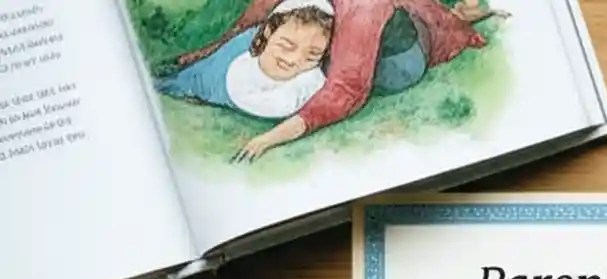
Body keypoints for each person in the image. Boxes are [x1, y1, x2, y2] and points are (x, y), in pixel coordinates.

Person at [175, 0, 502, 162]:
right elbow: (260, 14)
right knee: (279, 33)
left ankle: (454, 21)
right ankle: (195, 80)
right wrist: (209, 52)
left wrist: (269, 139)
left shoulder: (362, 9)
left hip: (398, 62)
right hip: (365, 27)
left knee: (312, 51)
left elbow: (347, 89)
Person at [157, 0, 335, 125]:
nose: (293, 60)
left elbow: (281, 104)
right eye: (286, 46)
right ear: (268, 32)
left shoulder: (309, 81)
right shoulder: (247, 42)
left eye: (311, 56)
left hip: (231, 89)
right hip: (232, 66)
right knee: (190, 78)